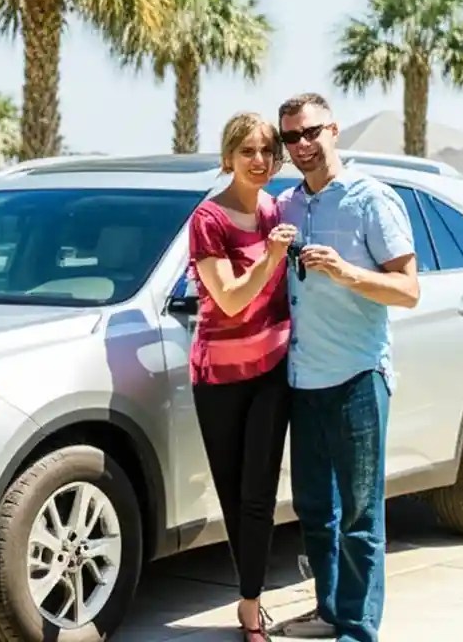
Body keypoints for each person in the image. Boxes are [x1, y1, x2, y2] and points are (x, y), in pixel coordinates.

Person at [271, 93, 420, 642]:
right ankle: (329, 610)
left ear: (333, 130)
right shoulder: (286, 205)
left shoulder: (370, 200)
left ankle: (358, 629)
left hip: (358, 377)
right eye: (291, 138)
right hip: (303, 380)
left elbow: (408, 290)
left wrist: (345, 272)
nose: (302, 145)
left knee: (361, 515)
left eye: (310, 132)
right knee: (315, 509)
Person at [187, 111, 299, 641]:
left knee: (258, 493)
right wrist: (272, 254)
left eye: (266, 152)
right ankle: (248, 597)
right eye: (247, 151)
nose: (259, 161)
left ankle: (251, 606)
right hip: (219, 376)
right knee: (233, 493)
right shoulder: (208, 218)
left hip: (272, 368)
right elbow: (229, 299)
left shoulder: (278, 209)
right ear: (228, 156)